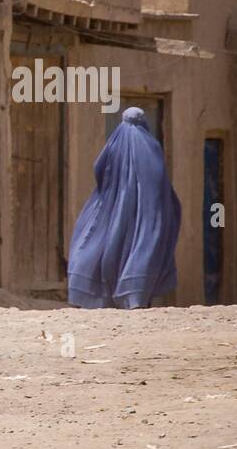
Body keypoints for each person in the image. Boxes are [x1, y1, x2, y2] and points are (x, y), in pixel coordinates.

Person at [67, 106, 181, 309]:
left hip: (112, 206)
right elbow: (159, 180)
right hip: (146, 212)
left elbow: (99, 169)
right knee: (141, 247)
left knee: (98, 242)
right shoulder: (152, 147)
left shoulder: (114, 144)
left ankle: (94, 294)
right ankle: (135, 297)